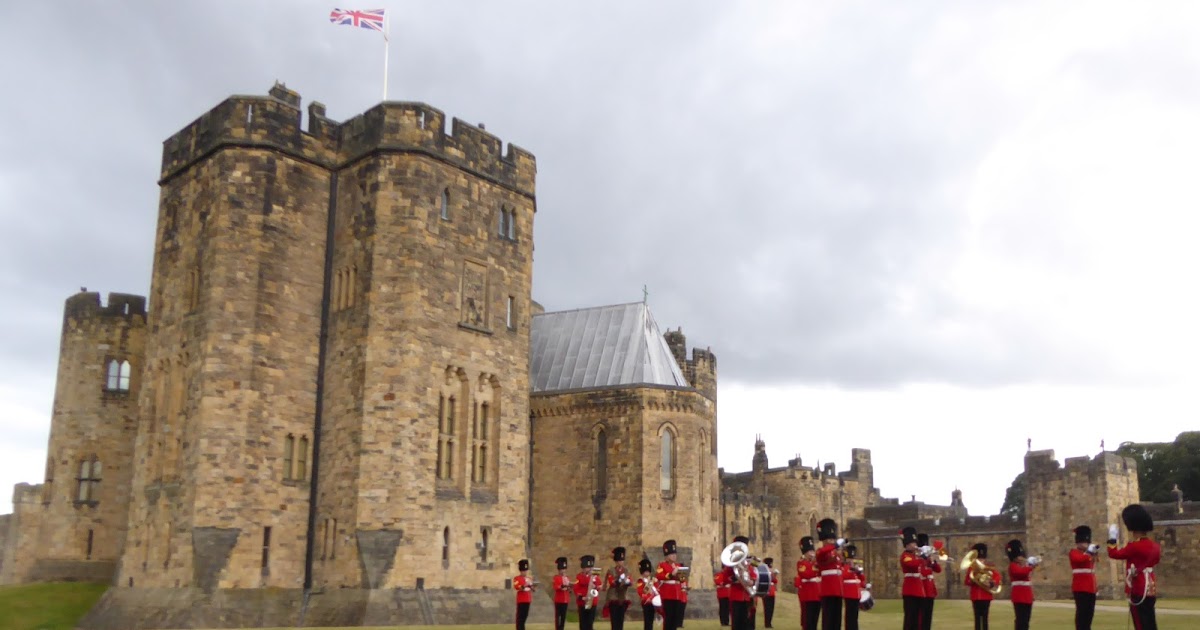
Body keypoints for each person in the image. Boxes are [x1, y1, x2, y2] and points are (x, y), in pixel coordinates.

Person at [1107, 503, 1162, 630]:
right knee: (1150, 621)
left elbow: (1114, 553)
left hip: (1138, 588)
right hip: (1150, 588)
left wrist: (1112, 538)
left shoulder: (1134, 546)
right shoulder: (1155, 546)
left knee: (1140, 623)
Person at [814, 518, 844, 630]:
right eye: (829, 539)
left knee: (837, 620)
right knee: (828, 619)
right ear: (824, 540)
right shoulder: (821, 551)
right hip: (828, 589)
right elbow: (822, 553)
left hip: (837, 589)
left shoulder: (835, 553)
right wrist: (834, 546)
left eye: (833, 539)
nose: (831, 541)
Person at [721, 535, 755, 630]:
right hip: (736, 597)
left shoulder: (749, 563)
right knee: (737, 624)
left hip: (748, 597)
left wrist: (752, 581)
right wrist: (734, 579)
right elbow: (725, 578)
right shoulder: (731, 565)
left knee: (748, 624)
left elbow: (754, 575)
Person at [964, 543, 1000, 630]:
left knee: (985, 618)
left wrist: (991, 583)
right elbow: (967, 581)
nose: (981, 560)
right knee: (977, 619)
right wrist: (973, 580)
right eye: (979, 558)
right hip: (976, 596)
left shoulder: (989, 567)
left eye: (982, 558)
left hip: (986, 596)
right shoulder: (971, 568)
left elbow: (997, 577)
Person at [1070, 525, 1100, 630]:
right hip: (1080, 588)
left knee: (1089, 616)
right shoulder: (1074, 552)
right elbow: (1079, 560)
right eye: (1083, 542)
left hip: (1091, 588)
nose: (1086, 544)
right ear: (1078, 542)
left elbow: (1095, 562)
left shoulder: (1089, 554)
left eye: (1087, 543)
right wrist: (1089, 552)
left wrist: (1093, 552)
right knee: (1082, 615)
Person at [1006, 539, 1040, 630]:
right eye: (1019, 556)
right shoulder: (1013, 566)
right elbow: (1020, 573)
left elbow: (1027, 581)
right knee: (1021, 621)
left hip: (1027, 596)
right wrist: (1030, 566)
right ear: (1015, 557)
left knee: (1026, 621)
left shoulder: (1024, 566)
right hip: (1019, 597)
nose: (1022, 558)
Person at [656, 540, 685, 630]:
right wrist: (672, 574)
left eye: (675, 554)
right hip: (667, 595)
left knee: (675, 619)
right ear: (667, 556)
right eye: (672, 554)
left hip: (677, 595)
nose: (674, 556)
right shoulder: (661, 565)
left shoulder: (678, 565)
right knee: (668, 618)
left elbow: (682, 579)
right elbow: (660, 576)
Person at [916, 533, 942, 630]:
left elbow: (938, 570)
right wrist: (925, 561)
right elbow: (923, 572)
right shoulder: (918, 558)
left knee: (928, 616)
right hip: (923, 590)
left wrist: (933, 561)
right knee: (921, 617)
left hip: (930, 591)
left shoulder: (928, 558)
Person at [899, 527, 924, 630]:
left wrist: (930, 559)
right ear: (907, 545)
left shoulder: (916, 556)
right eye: (913, 543)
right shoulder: (905, 556)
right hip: (910, 590)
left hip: (918, 590)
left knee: (918, 618)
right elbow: (912, 565)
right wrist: (923, 557)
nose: (915, 545)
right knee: (910, 618)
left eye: (915, 543)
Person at [795, 536, 821, 630]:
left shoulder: (815, 563)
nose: (812, 554)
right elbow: (806, 574)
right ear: (805, 553)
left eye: (812, 551)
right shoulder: (801, 563)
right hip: (808, 594)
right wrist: (815, 568)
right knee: (808, 619)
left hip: (817, 594)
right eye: (810, 552)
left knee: (815, 619)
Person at [605, 547, 633, 630]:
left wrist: (627, 582)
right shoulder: (611, 570)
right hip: (613, 598)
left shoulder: (626, 570)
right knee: (614, 621)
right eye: (619, 561)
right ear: (616, 561)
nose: (621, 562)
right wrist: (619, 581)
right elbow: (612, 582)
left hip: (623, 597)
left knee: (620, 620)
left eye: (622, 560)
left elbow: (630, 580)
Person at [840, 545, 865, 630]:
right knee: (850, 616)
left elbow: (862, 580)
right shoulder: (844, 568)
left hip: (856, 594)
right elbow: (844, 576)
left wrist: (859, 572)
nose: (851, 560)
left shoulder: (855, 567)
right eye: (849, 558)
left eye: (852, 558)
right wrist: (852, 570)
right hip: (849, 594)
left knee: (855, 616)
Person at [577, 555, 603, 630]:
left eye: (590, 567)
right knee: (583, 623)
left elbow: (599, 586)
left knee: (590, 623)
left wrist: (596, 586)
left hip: (592, 602)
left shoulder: (595, 577)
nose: (588, 569)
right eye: (586, 568)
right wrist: (582, 597)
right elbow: (577, 588)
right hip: (582, 602)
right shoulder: (579, 576)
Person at [636, 558, 662, 630]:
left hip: (653, 602)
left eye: (648, 571)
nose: (647, 573)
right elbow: (641, 592)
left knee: (651, 620)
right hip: (646, 603)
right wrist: (647, 597)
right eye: (645, 571)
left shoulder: (653, 580)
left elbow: (657, 589)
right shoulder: (640, 581)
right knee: (647, 621)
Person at [513, 559, 536, 630]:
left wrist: (533, 587)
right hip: (521, 600)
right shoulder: (517, 578)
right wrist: (523, 586)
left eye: (526, 571)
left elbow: (532, 589)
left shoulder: (529, 578)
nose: (525, 572)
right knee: (520, 618)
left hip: (527, 600)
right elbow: (517, 586)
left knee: (525, 617)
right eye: (523, 571)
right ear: (521, 571)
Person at [553, 556, 573, 630]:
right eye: (562, 569)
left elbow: (569, 588)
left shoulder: (567, 578)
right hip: (559, 599)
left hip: (565, 600)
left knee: (563, 616)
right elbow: (556, 587)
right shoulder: (556, 577)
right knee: (558, 616)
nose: (563, 571)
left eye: (564, 569)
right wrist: (561, 586)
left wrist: (570, 588)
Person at [761, 557, 778, 628]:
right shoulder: (765, 571)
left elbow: (775, 581)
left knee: (771, 608)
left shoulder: (771, 571)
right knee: (767, 608)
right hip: (767, 591)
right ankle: (767, 623)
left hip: (772, 591)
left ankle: (769, 622)